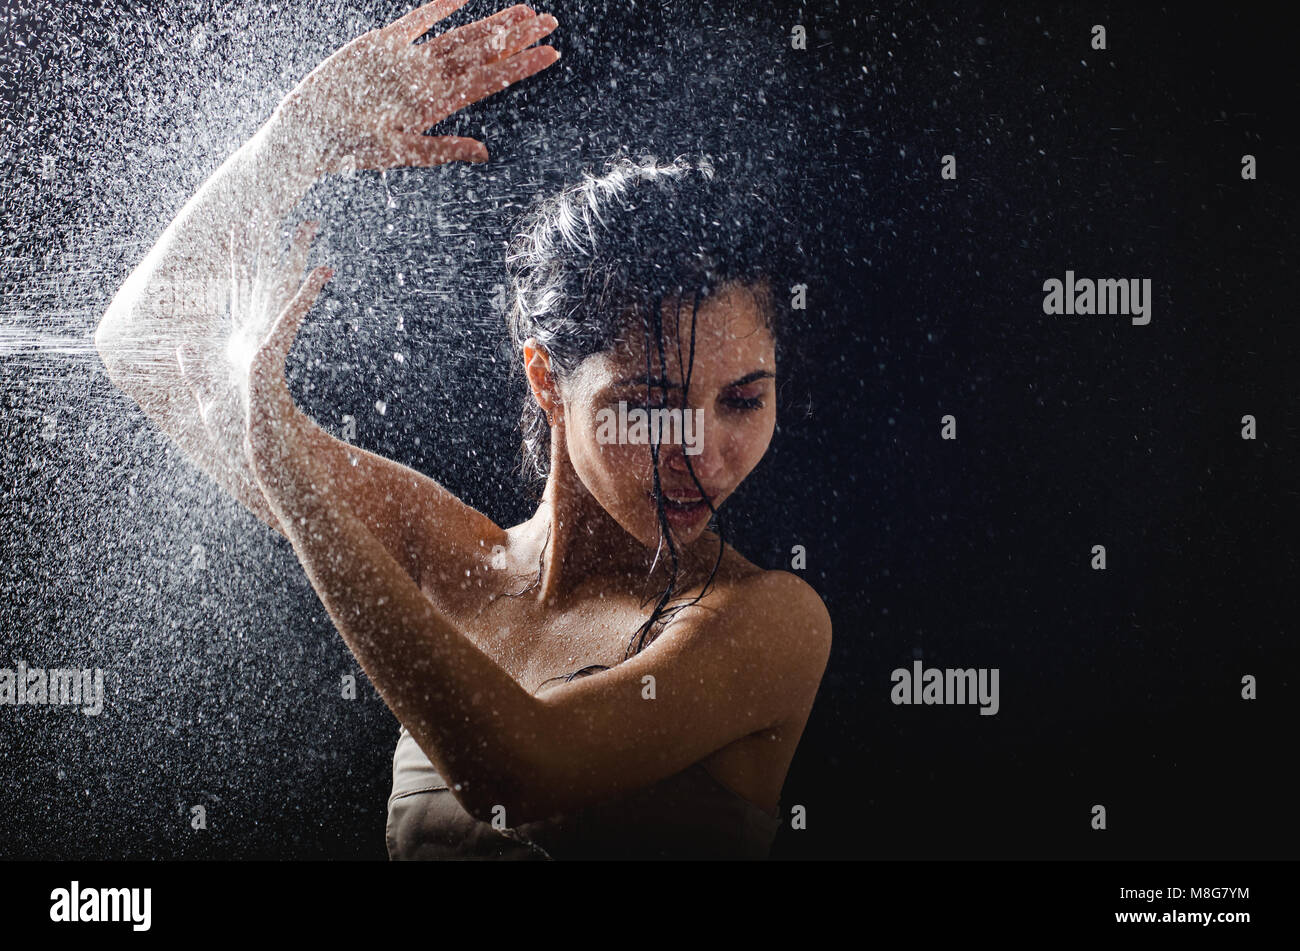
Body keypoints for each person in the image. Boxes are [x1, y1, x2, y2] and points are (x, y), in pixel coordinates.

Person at [95, 0, 831, 860]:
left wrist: (298, 484)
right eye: (649, 401)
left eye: (743, 400)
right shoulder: (439, 556)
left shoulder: (767, 622)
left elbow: (514, 774)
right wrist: (282, 151)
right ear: (547, 381)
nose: (702, 453)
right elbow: (140, 345)